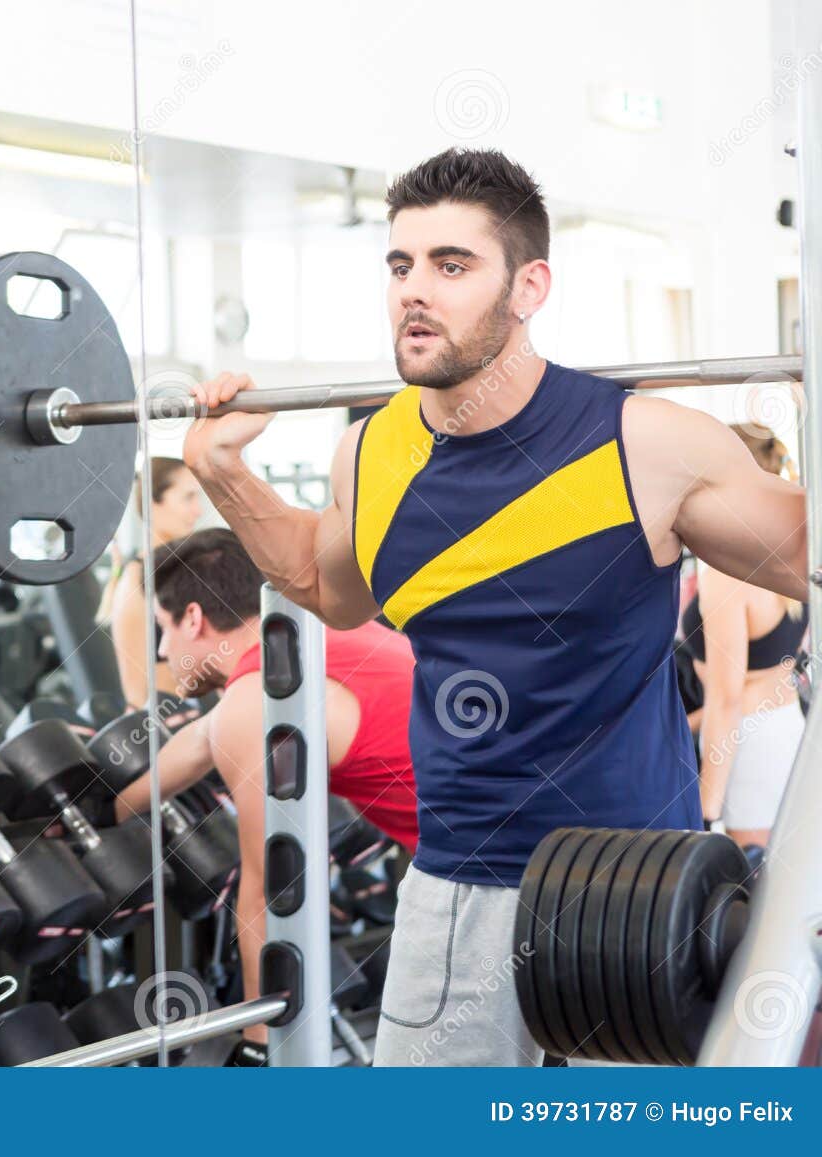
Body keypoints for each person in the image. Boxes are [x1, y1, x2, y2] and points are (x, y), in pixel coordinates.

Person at [178, 148, 808, 1066]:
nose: (414, 292)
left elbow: (801, 561)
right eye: (401, 266)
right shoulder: (374, 450)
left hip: (630, 881)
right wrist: (221, 472)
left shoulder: (646, 442)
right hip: (457, 873)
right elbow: (328, 589)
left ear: (530, 286)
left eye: (452, 264)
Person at [111, 528, 420, 1060]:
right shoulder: (312, 641)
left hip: (504, 872)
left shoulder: (256, 703)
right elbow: (198, 742)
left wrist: (259, 1044)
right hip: (548, 837)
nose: (162, 652)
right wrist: (104, 811)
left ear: (192, 618)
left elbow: (271, 889)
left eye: (162, 630)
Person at [681, 423, 808, 850]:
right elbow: (781, 668)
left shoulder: (726, 571)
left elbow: (729, 698)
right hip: (784, 728)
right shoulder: (795, 545)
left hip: (747, 744)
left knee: (748, 888)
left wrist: (705, 809)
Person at [99, 457, 204, 709]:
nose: (198, 510)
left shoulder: (188, 569)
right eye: (188, 498)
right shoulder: (136, 579)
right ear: (153, 504)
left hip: (203, 715)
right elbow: (137, 694)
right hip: (164, 726)